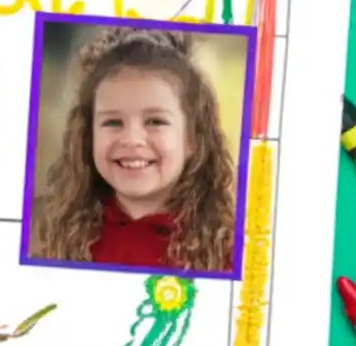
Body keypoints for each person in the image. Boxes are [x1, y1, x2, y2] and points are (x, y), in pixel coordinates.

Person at [35, 26, 235, 273]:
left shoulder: (228, 254)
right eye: (113, 122)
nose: (131, 139)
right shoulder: (63, 240)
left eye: (155, 121)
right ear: (89, 137)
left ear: (193, 139)